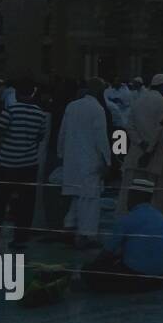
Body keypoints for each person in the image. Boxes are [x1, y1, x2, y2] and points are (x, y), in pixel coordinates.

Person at [0, 79, 49, 252]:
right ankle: (20, 240)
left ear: (17, 94)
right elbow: (40, 137)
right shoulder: (39, 113)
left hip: (7, 164)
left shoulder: (10, 110)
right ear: (32, 93)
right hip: (29, 165)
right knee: (26, 204)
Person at [82, 178, 163, 293]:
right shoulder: (160, 217)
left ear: (134, 197)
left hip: (138, 279)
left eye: (129, 196)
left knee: (88, 271)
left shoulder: (127, 219)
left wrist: (91, 268)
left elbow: (107, 253)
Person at [59, 78, 111, 248]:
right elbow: (101, 138)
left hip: (72, 160)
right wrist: (106, 161)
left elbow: (63, 132)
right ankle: (86, 235)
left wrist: (61, 154)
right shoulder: (97, 109)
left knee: (76, 196)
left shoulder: (71, 106)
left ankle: (69, 227)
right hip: (90, 161)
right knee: (89, 199)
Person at [121, 72, 163, 220]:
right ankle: (158, 222)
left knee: (131, 191)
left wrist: (140, 143)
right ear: (162, 86)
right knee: (158, 193)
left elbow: (129, 126)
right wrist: (149, 151)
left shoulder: (138, 101)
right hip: (155, 155)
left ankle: (129, 220)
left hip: (136, 153)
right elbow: (159, 129)